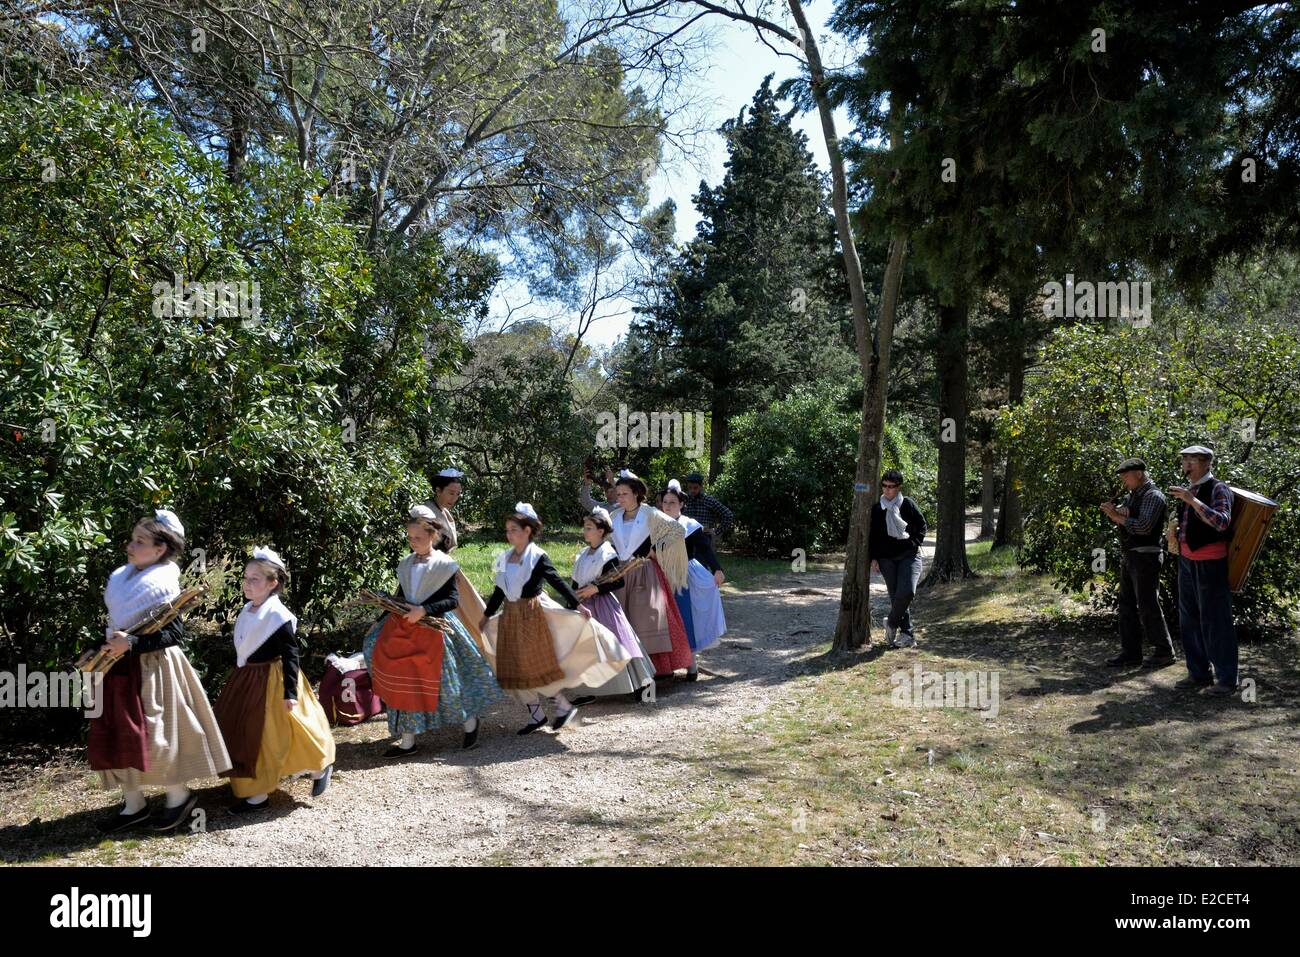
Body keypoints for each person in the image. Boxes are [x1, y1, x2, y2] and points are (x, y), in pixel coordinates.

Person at [87, 510, 231, 834]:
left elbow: (174, 634)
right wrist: (100, 644)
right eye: (132, 539)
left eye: (140, 542)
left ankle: (178, 798)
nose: (130, 546)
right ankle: (133, 806)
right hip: (117, 667)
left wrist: (133, 644)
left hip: (154, 671)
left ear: (159, 550)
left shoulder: (163, 584)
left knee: (158, 737)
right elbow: (118, 626)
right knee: (119, 734)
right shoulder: (122, 580)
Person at [478, 503, 634, 733]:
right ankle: (536, 715)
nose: (509, 534)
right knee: (515, 666)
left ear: (527, 531)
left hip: (532, 614)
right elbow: (500, 590)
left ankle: (563, 706)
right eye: (508, 530)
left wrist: (577, 605)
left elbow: (558, 583)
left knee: (536, 664)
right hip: (511, 616)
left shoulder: (537, 557)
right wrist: (487, 615)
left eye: (514, 529)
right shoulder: (505, 558)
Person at [362, 506, 502, 757]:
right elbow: (401, 596)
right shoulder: (406, 564)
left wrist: (424, 610)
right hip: (405, 628)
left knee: (446, 684)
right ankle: (408, 741)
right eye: (409, 537)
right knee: (405, 681)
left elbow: (451, 600)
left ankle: (470, 722)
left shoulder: (443, 565)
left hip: (435, 630)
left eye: (417, 537)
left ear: (432, 536)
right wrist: (381, 618)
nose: (412, 541)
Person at [213, 547, 336, 814]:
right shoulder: (248, 611)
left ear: (273, 583)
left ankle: (319, 766)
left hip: (275, 681)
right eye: (245, 578)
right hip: (249, 679)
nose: (247, 583)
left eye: (254, 579)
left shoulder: (278, 617)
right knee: (248, 732)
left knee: (280, 732)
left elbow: (291, 655)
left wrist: (290, 692)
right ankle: (255, 792)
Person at [604, 470, 693, 679]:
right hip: (620, 574)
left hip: (644, 572)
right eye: (618, 494)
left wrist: (656, 549)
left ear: (636, 493)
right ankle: (629, 671)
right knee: (624, 620)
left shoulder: (649, 513)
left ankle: (658, 668)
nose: (620, 498)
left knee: (649, 620)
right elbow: (605, 539)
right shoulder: (614, 516)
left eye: (624, 494)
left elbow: (677, 531)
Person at [565, 507, 658, 703]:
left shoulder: (607, 553)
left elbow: (618, 581)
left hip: (603, 606)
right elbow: (576, 582)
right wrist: (573, 599)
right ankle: (589, 690)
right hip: (585, 607)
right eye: (585, 527)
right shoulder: (582, 554)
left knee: (618, 643)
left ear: (600, 531)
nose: (585, 531)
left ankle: (643, 683)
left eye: (589, 527)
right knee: (587, 648)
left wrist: (595, 589)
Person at [1167, 445, 1237, 696]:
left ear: (1206, 463)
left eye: (1192, 460)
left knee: (1215, 620)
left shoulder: (1218, 488)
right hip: (1186, 561)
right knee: (1190, 620)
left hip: (1210, 563)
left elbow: (1221, 522)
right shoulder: (1190, 489)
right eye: (1184, 459)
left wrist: (1192, 500)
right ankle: (1198, 674)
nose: (1186, 464)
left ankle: (1227, 680)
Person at [1100, 458, 1177, 668]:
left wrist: (1116, 516)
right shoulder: (1132, 496)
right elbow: (1126, 514)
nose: (1125, 481)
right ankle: (1131, 653)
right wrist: (1117, 512)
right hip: (1131, 555)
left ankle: (1164, 651)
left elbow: (1143, 527)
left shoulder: (1153, 496)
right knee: (1126, 606)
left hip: (1146, 556)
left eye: (1127, 477)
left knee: (1148, 605)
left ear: (1139, 475)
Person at [660, 480, 727, 677]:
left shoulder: (689, 525)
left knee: (683, 618)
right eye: (665, 502)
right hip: (661, 576)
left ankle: (691, 663)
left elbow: (705, 549)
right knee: (664, 620)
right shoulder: (656, 525)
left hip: (684, 577)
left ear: (681, 504)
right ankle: (668, 664)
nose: (668, 506)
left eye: (672, 502)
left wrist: (717, 569)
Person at [424, 467, 489, 651]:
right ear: (438, 490)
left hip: (446, 569)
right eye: (451, 493)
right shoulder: (427, 512)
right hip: (431, 571)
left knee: (472, 612)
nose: (454, 498)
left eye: (458, 494)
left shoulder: (444, 511)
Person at [868, 470, 927, 648]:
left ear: (898, 487)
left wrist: (914, 543)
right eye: (884, 486)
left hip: (909, 556)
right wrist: (874, 558)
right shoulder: (878, 508)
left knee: (907, 591)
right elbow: (874, 536)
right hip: (886, 559)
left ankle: (891, 623)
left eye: (891, 487)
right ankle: (907, 634)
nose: (886, 490)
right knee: (896, 596)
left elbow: (922, 525)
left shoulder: (907, 504)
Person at [681, 471, 734, 543]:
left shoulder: (708, 500)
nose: (692, 490)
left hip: (705, 539)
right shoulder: (684, 500)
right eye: (690, 488)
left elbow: (728, 515)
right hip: (687, 539)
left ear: (701, 487)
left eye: (695, 488)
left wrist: (715, 531)